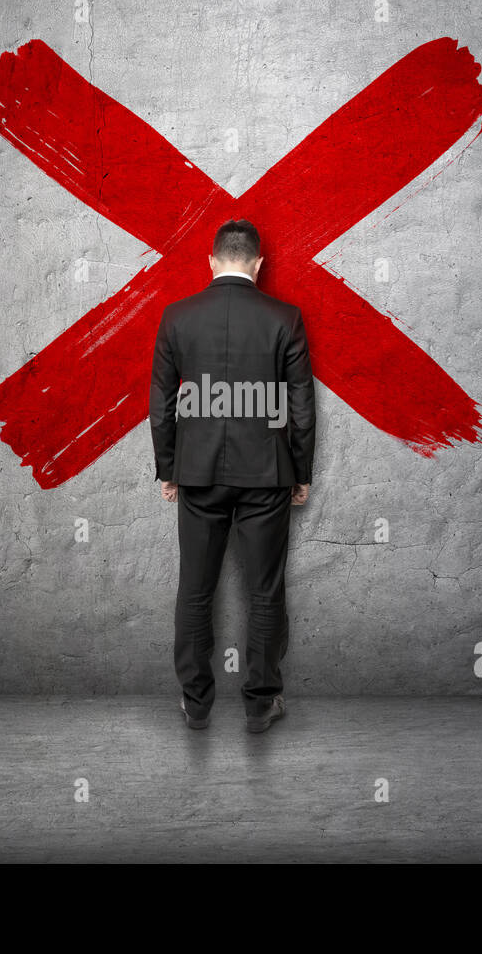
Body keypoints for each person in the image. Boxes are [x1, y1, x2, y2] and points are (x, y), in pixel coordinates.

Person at [149, 219, 316, 733]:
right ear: (258, 265)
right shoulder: (284, 318)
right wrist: (300, 471)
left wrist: (169, 467)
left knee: (195, 590)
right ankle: (260, 704)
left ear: (211, 260)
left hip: (197, 472)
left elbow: (161, 405)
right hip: (267, 473)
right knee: (264, 591)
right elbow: (301, 406)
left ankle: (196, 704)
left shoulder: (177, 317)